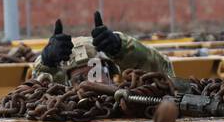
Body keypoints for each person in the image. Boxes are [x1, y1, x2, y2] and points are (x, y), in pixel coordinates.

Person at [32, 12, 175, 85]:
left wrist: (122, 48)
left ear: (113, 76)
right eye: (80, 78)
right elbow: (34, 88)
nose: (92, 82)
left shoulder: (128, 103)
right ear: (67, 83)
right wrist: (47, 62)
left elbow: (164, 71)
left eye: (100, 73)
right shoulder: (57, 110)